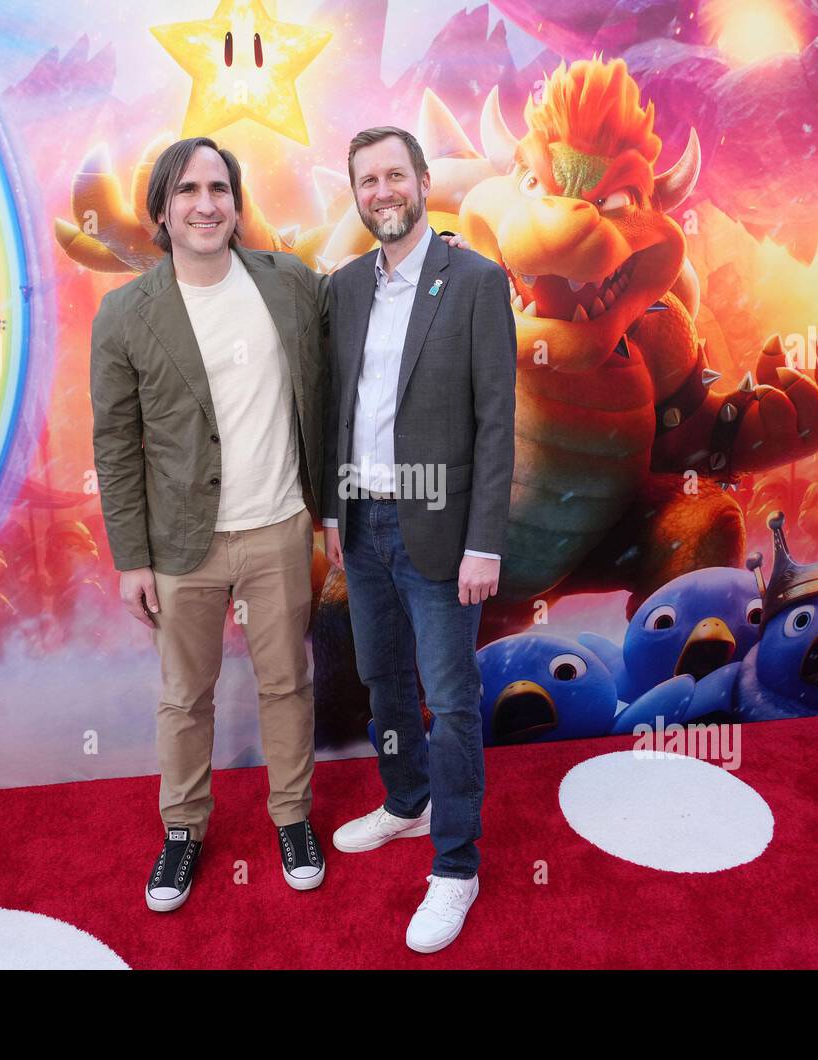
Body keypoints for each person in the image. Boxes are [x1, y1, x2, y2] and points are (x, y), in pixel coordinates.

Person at [90, 136, 331, 910]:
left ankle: (292, 816)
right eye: (188, 190)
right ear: (163, 209)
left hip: (278, 529)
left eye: (220, 188)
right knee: (184, 695)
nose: (206, 203)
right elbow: (116, 447)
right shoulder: (125, 313)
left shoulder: (288, 282)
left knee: (286, 681)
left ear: (236, 201)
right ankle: (184, 830)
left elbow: (347, 352)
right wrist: (132, 559)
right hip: (179, 547)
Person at [322, 126, 517, 953]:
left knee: (453, 701)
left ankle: (457, 867)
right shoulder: (341, 289)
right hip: (362, 523)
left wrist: (486, 543)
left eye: (394, 175)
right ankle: (407, 803)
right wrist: (333, 512)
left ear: (424, 182)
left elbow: (496, 421)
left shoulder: (473, 280)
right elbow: (339, 406)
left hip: (440, 528)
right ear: (358, 194)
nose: (382, 192)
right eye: (367, 181)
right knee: (382, 680)